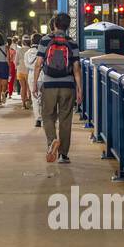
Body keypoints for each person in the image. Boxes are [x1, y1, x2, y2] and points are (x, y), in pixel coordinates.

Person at [32, 14, 82, 164]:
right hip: (68, 86)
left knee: (47, 116)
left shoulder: (46, 40)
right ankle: (63, 155)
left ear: (54, 24)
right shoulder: (72, 43)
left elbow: (38, 63)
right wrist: (79, 89)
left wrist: (35, 83)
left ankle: (52, 142)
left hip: (49, 85)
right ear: (67, 26)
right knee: (65, 119)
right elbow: (76, 68)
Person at [22, 32, 44, 126]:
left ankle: (38, 119)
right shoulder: (43, 51)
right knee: (43, 97)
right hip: (42, 75)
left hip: (31, 75)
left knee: (34, 97)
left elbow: (26, 65)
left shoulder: (27, 53)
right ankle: (43, 117)